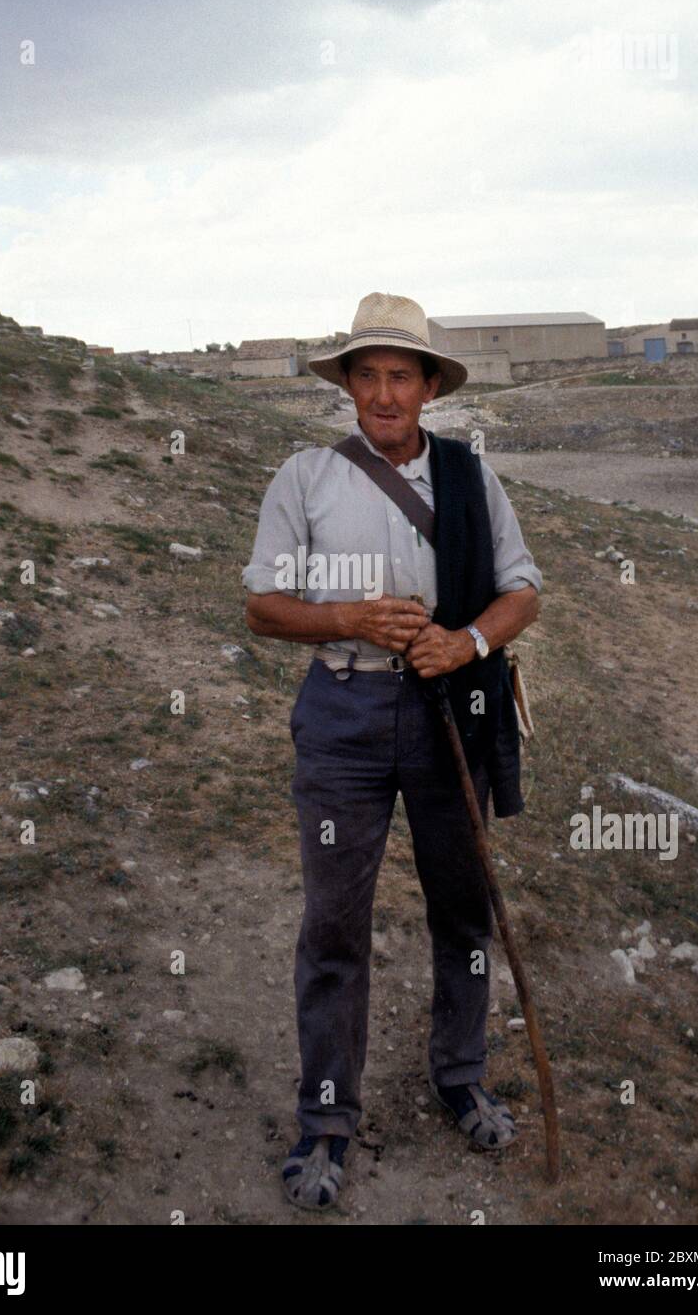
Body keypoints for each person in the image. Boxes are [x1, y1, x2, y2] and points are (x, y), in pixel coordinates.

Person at [242, 292, 543, 1211]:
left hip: (451, 709)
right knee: (335, 926)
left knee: (463, 912)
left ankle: (460, 1076)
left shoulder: (468, 477)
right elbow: (262, 602)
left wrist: (469, 643)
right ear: (349, 386)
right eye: (366, 375)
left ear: (427, 388)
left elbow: (521, 588)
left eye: (399, 375)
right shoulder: (305, 477)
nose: (382, 392)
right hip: (344, 715)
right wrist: (347, 619)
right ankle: (327, 1121)